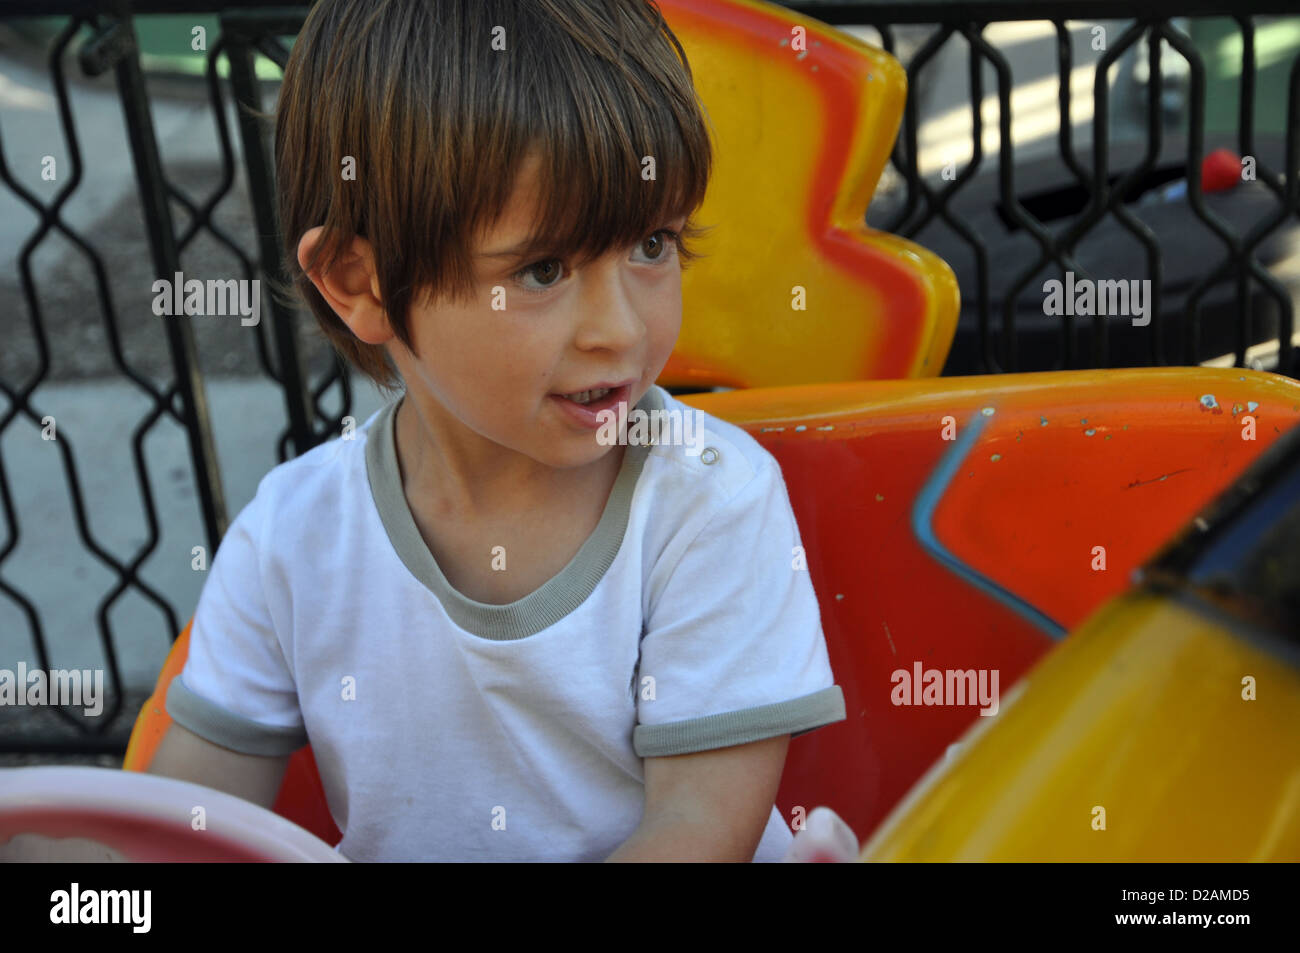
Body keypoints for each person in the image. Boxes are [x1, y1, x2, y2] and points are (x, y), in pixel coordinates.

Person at [146, 0, 845, 862]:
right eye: (544, 269)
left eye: (653, 246)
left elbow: (698, 830)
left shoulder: (707, 501)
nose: (620, 330)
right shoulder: (293, 537)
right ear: (358, 281)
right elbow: (180, 821)